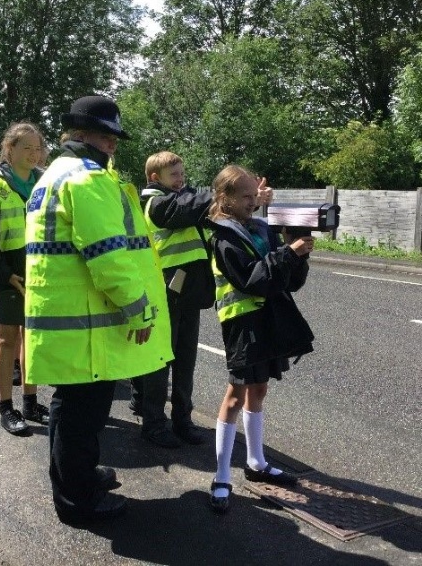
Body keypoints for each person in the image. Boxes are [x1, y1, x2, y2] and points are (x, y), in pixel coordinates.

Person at [24, 95, 173, 523]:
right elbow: (109, 258)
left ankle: (77, 479)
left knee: (70, 410)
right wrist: (140, 311)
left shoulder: (56, 173)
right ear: (82, 134)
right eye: (106, 136)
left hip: (69, 321)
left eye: (114, 137)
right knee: (82, 417)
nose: (113, 144)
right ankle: (78, 501)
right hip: (87, 326)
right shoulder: (87, 180)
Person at [205, 164, 315, 514]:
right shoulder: (222, 236)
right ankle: (221, 476)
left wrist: (298, 255)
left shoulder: (261, 228)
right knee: (235, 396)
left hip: (268, 321)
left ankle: (256, 463)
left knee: (260, 390)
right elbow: (252, 280)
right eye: (246, 197)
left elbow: (288, 281)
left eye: (256, 196)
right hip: (243, 325)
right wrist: (288, 253)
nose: (253, 202)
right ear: (225, 197)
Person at [131, 151, 216, 448]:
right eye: (174, 175)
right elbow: (185, 208)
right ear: (156, 178)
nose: (181, 179)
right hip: (166, 292)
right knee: (161, 361)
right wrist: (222, 191)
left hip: (188, 293)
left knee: (185, 361)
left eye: (182, 173)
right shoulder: (155, 203)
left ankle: (183, 420)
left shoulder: (181, 199)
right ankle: (154, 425)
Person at [0, 123, 51, 436]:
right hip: (9, 274)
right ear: (10, 149)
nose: (33, 154)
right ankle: (6, 407)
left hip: (40, 273)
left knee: (32, 338)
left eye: (37, 148)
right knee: (8, 339)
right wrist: (5, 275)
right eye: (26, 147)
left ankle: (31, 402)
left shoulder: (46, 184)